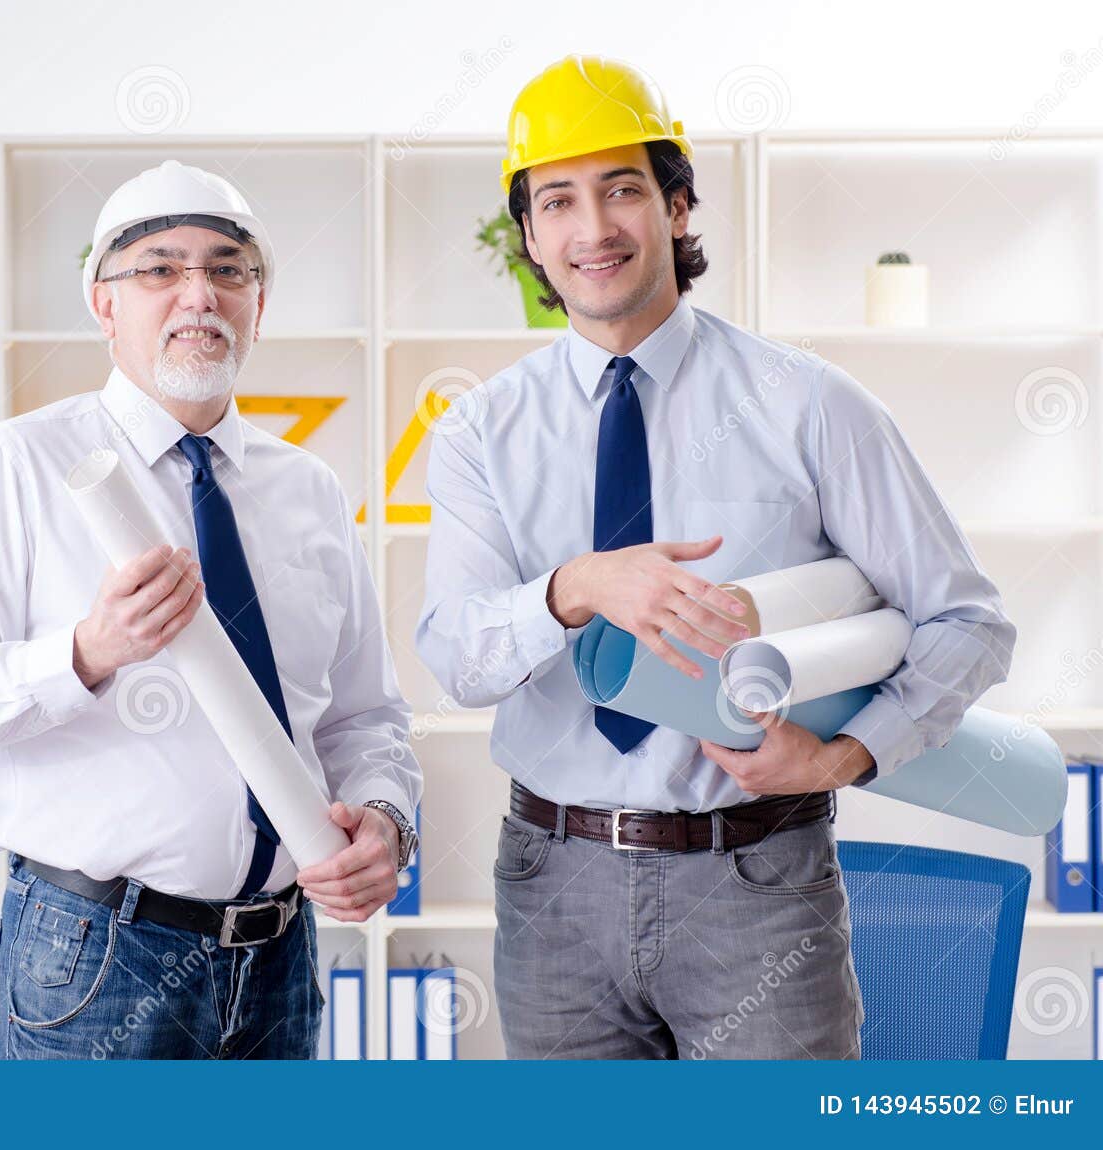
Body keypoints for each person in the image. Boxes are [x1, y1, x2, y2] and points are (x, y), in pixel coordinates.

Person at [415, 54, 1014, 1059]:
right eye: (557, 201)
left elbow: (967, 622)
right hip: (552, 890)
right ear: (530, 236)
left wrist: (842, 755)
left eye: (622, 189)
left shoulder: (809, 404)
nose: (592, 228)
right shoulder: (481, 431)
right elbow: (458, 658)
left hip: (757, 880)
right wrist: (573, 587)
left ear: (678, 206)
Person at [0, 160, 421, 1060]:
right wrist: (88, 652)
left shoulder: (309, 489)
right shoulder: (16, 465)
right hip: (97, 958)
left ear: (259, 303)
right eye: (159, 269)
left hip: (281, 957)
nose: (199, 294)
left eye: (228, 269)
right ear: (104, 305)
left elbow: (364, 715)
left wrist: (385, 817)